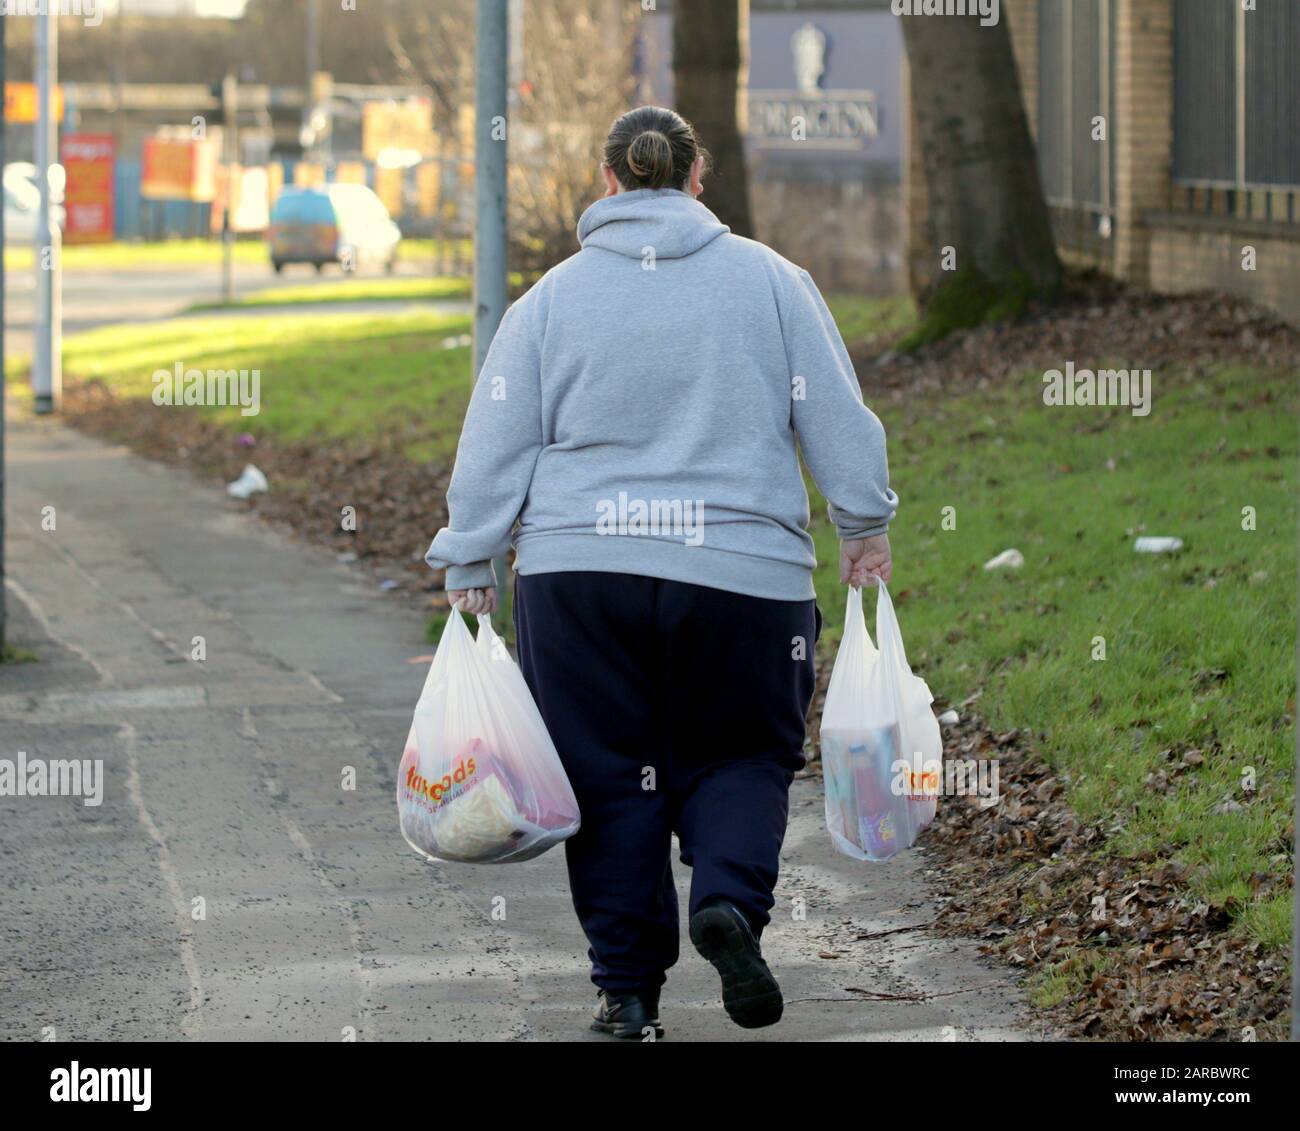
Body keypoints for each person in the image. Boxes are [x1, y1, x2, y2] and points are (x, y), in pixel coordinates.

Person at [426, 105, 896, 1038]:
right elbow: (836, 415)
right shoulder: (773, 282)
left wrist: (471, 555)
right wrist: (863, 524)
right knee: (740, 755)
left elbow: (495, 438)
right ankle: (726, 901)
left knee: (605, 777)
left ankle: (628, 993)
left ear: (607, 183)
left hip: (579, 576)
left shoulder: (549, 301)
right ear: (697, 180)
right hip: (745, 575)